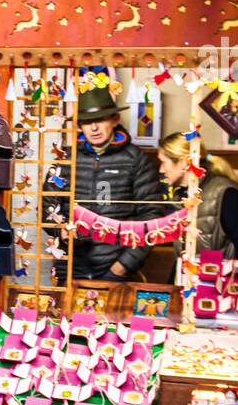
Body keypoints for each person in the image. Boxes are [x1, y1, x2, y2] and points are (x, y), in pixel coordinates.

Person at [53, 74, 163, 281]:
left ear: (115, 119)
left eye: (100, 119)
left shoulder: (136, 159)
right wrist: (60, 230)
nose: (93, 128)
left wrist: (123, 266)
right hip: (69, 268)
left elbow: (151, 217)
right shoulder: (66, 159)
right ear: (79, 126)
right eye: (86, 122)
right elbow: (47, 205)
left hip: (116, 270)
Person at [158, 132, 238, 259]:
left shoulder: (226, 194)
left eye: (164, 162)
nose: (161, 170)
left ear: (183, 163)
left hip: (218, 278)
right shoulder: (181, 195)